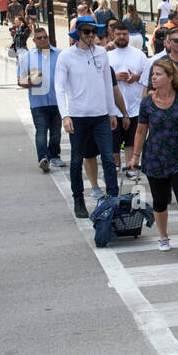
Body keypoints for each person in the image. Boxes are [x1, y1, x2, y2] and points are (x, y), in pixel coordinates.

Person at [128, 59, 178, 259]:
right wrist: (135, 156)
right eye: (152, 74)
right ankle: (163, 236)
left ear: (170, 78)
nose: (153, 78)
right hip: (155, 157)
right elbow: (140, 131)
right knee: (160, 201)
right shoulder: (147, 102)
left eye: (158, 74)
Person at [55, 16, 121, 218]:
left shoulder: (102, 53)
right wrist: (65, 115)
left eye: (94, 32)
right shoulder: (66, 56)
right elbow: (59, 87)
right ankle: (79, 200)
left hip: (100, 114)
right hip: (78, 115)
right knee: (77, 160)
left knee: (108, 159)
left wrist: (112, 111)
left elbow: (107, 85)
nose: (91, 35)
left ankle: (113, 199)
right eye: (86, 32)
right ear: (78, 34)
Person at [17, 25, 65, 172]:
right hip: (38, 102)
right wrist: (31, 81)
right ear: (34, 41)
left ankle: (54, 155)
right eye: (40, 38)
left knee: (56, 131)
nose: (43, 40)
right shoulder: (27, 57)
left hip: (57, 100)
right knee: (41, 130)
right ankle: (43, 157)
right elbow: (20, 80)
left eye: (45, 37)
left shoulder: (59, 54)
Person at [107, 20, 151, 179]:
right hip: (113, 109)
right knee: (113, 144)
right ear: (113, 35)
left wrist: (136, 77)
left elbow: (149, 77)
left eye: (124, 34)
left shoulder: (139, 55)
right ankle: (114, 169)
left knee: (132, 141)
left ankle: (131, 168)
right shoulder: (107, 56)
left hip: (135, 106)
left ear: (128, 36)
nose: (121, 37)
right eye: (118, 34)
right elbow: (101, 80)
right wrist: (115, 77)